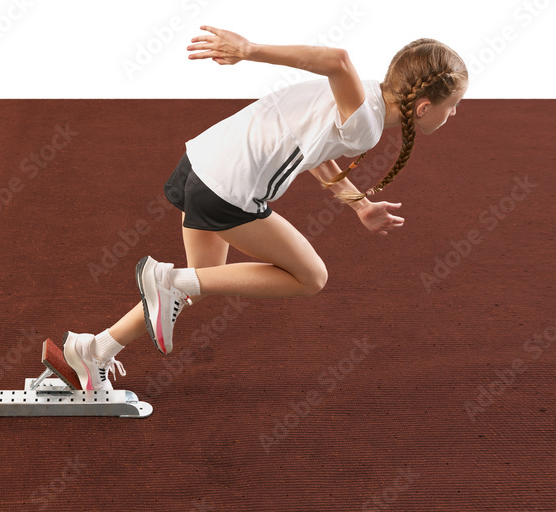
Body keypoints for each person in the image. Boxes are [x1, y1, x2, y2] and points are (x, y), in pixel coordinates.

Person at [59, 25, 468, 391]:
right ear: (423, 107)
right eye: (454, 104)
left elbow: (314, 149)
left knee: (201, 281)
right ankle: (168, 283)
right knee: (310, 277)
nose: (455, 113)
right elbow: (337, 60)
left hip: (199, 164)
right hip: (227, 188)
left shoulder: (361, 96)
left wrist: (358, 205)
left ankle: (93, 349)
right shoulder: (366, 122)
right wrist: (248, 49)